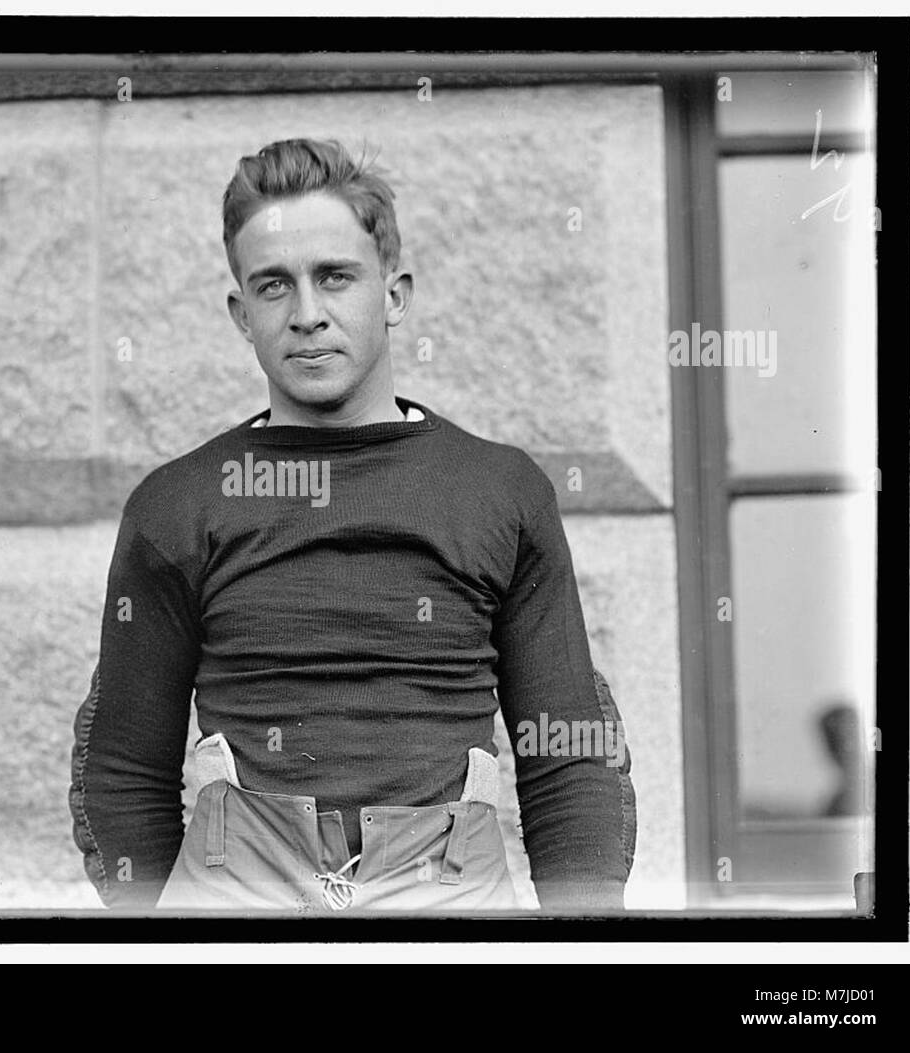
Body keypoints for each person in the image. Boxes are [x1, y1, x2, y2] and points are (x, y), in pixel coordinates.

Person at [69, 137, 635, 914]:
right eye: (274, 286)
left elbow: (569, 755)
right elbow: (122, 768)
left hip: (448, 892)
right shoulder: (178, 504)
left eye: (335, 277)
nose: (307, 314)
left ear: (394, 293)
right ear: (241, 312)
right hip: (239, 891)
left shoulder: (500, 492)